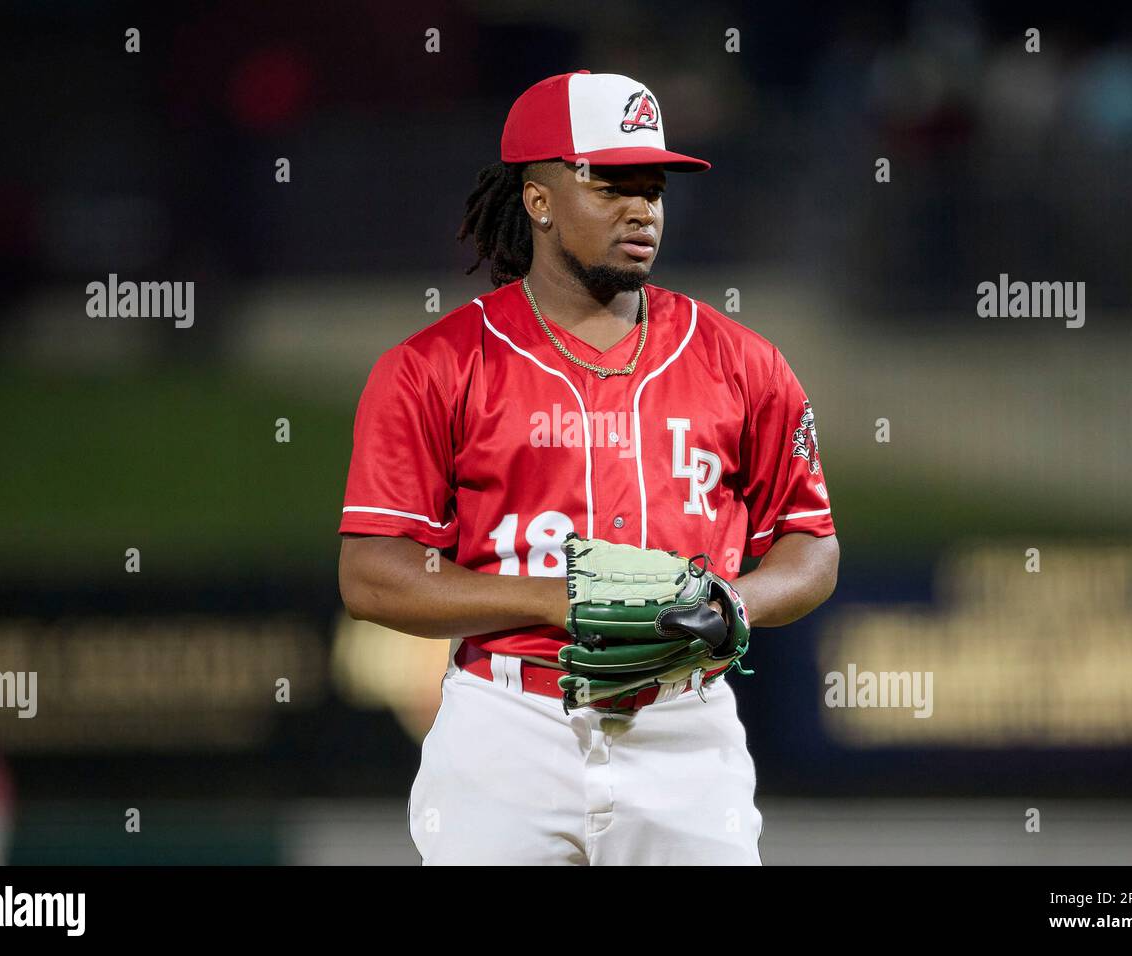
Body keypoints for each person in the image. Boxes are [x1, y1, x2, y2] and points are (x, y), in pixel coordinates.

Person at [338, 70, 838, 865]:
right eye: (611, 185)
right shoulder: (432, 367)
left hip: (685, 727)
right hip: (507, 731)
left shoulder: (743, 363)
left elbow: (811, 546)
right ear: (538, 199)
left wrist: (733, 603)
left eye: (653, 187)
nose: (642, 209)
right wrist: (556, 601)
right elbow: (370, 576)